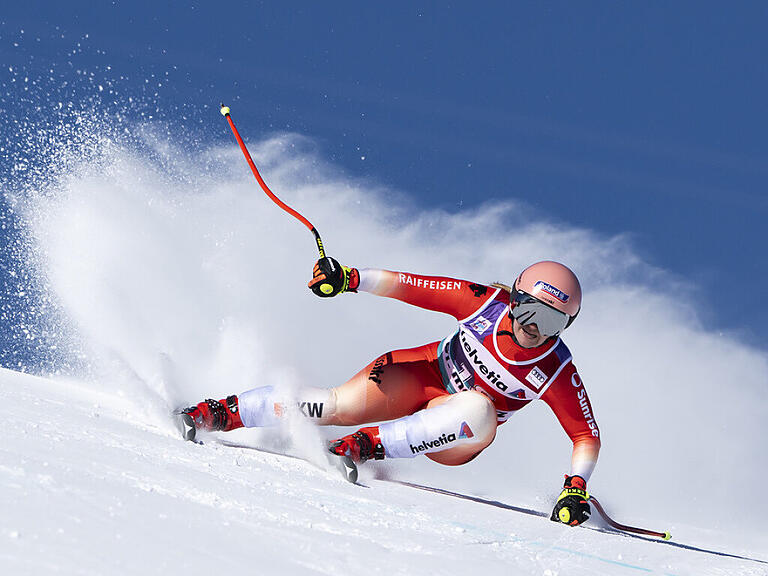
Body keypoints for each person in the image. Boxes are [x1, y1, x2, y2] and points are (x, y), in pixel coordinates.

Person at [180, 258, 600, 527]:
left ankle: (363, 446)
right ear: (512, 298)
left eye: (551, 322)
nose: (533, 328)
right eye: (528, 310)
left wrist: (575, 486)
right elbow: (414, 285)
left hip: (456, 433)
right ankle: (221, 413)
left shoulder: (555, 368)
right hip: (421, 373)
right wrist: (349, 279)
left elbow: (586, 434)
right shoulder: (483, 303)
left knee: (477, 410)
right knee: (333, 404)